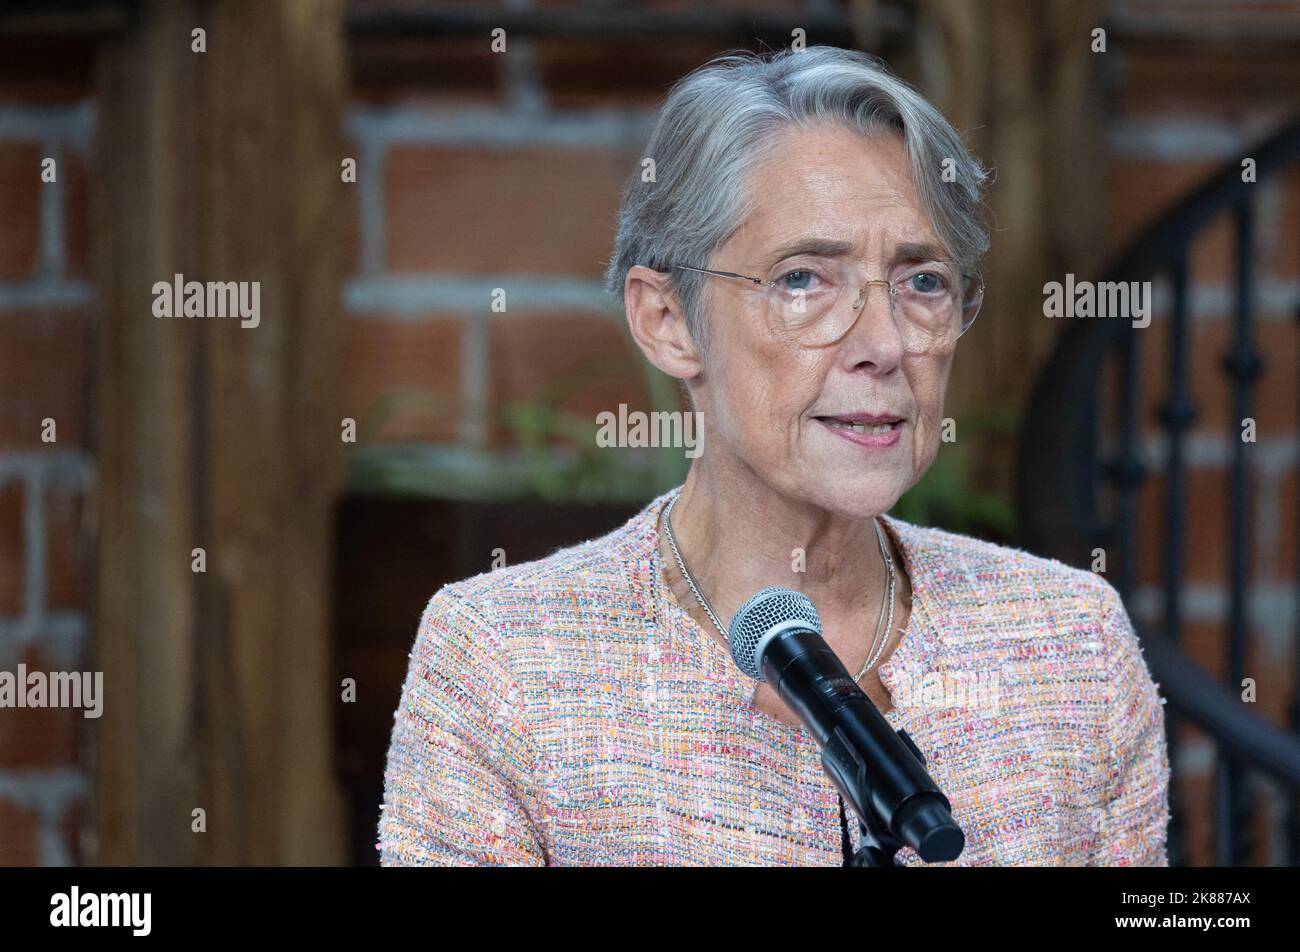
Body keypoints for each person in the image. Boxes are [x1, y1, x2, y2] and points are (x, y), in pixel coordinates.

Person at [378, 46, 1171, 866]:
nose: (884, 344)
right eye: (803, 280)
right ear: (667, 321)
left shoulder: (1071, 645)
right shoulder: (510, 656)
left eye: (923, 282)